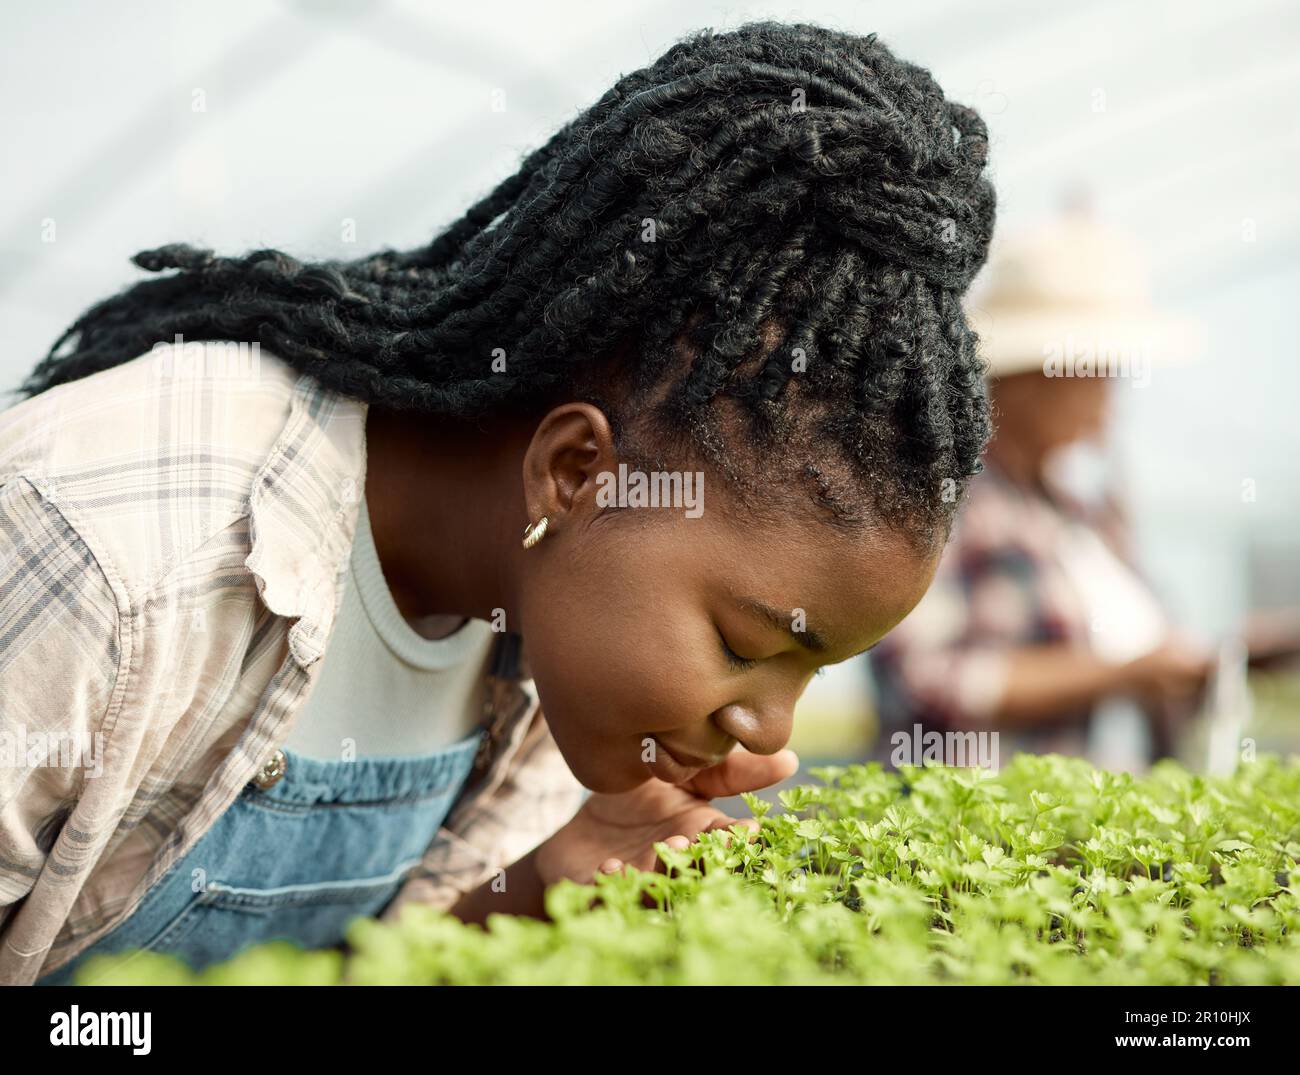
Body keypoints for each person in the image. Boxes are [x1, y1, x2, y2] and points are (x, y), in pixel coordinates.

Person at [1, 21, 998, 984]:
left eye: (809, 669)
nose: (768, 732)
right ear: (572, 471)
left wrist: (526, 887)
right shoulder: (113, 546)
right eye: (745, 646)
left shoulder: (558, 645)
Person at [869, 209, 1215, 770]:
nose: (1112, 394)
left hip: (1083, 833)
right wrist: (1125, 673)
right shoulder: (946, 501)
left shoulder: (1080, 512)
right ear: (1032, 378)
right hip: (980, 837)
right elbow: (925, 676)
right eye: (1098, 371)